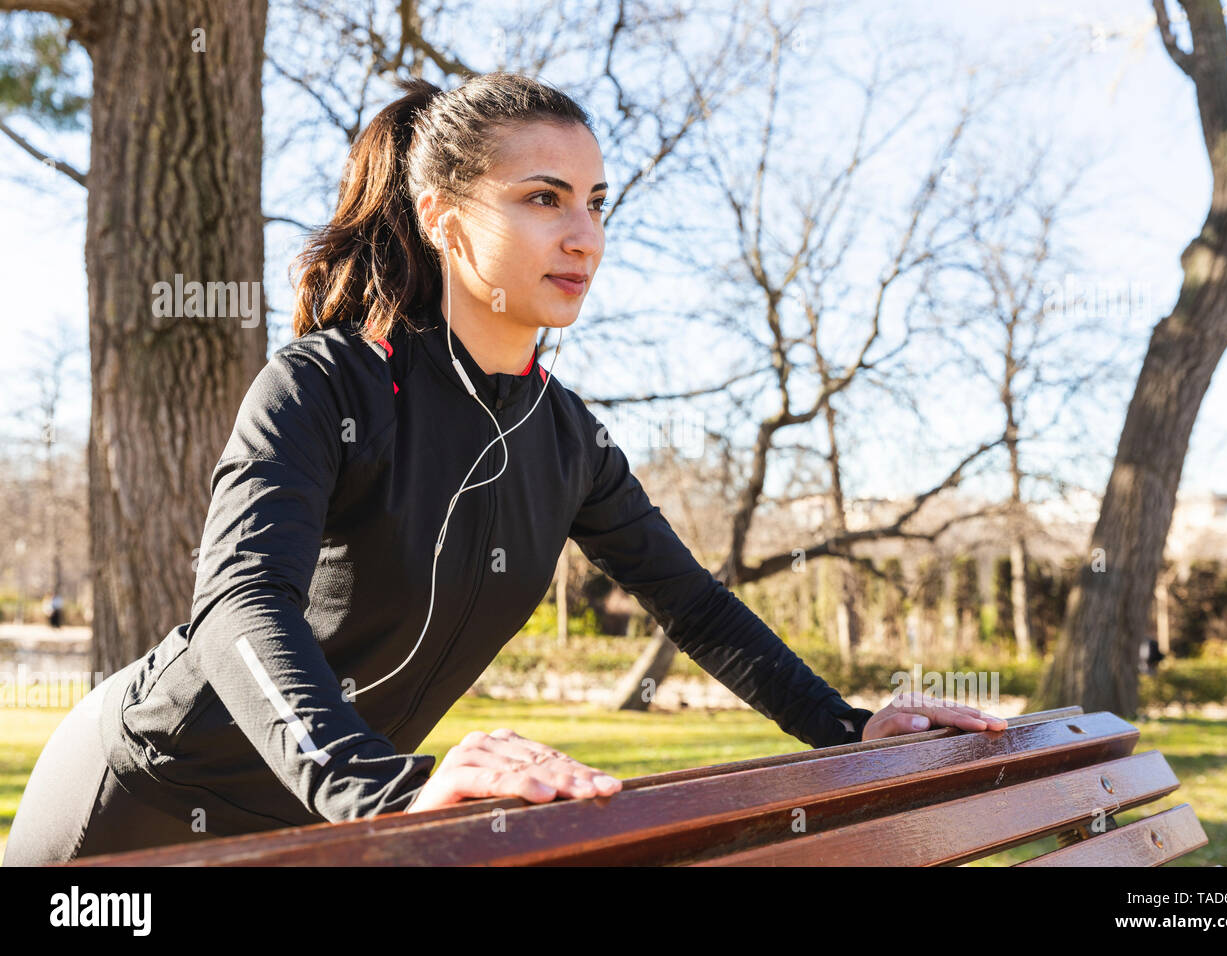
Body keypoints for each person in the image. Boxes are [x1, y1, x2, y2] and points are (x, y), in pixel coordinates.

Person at [3, 73, 1004, 867]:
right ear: (441, 219)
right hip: (142, 792)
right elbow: (240, 600)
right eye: (541, 199)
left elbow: (692, 604)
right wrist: (378, 787)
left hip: (324, 825)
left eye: (595, 203)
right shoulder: (325, 382)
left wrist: (851, 723)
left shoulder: (569, 440)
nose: (584, 234)